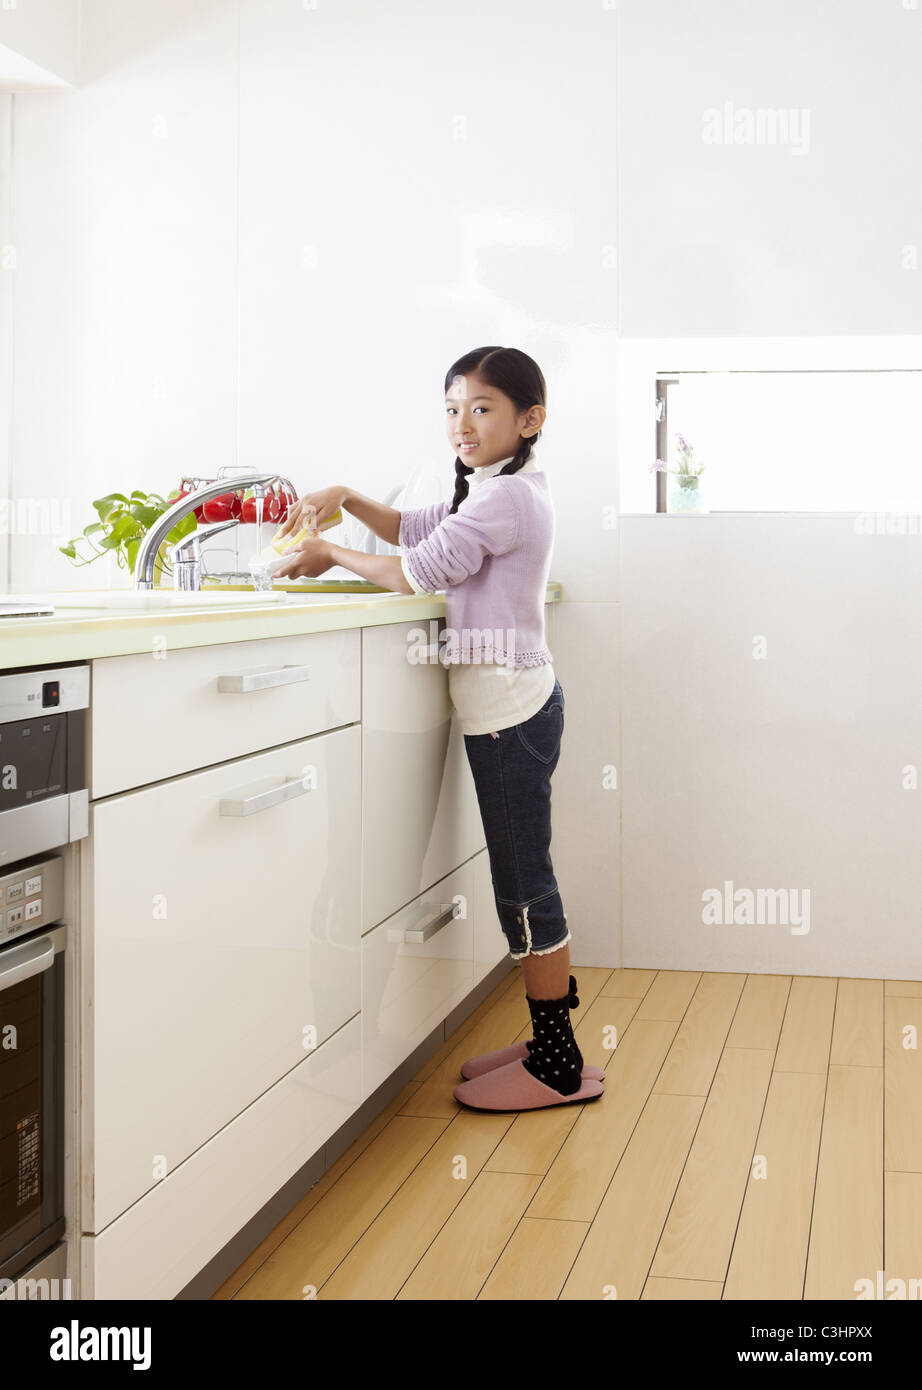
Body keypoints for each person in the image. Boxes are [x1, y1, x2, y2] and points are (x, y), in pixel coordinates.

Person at [274, 346, 604, 1112]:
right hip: (513, 708)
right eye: (453, 409)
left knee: (524, 887)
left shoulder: (504, 500)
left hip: (510, 717)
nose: (463, 423)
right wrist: (348, 498)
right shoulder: (495, 488)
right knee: (521, 880)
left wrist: (328, 551)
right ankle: (548, 1037)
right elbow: (413, 527)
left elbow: (414, 569)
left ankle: (558, 1060)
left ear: (530, 420)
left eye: (482, 409)